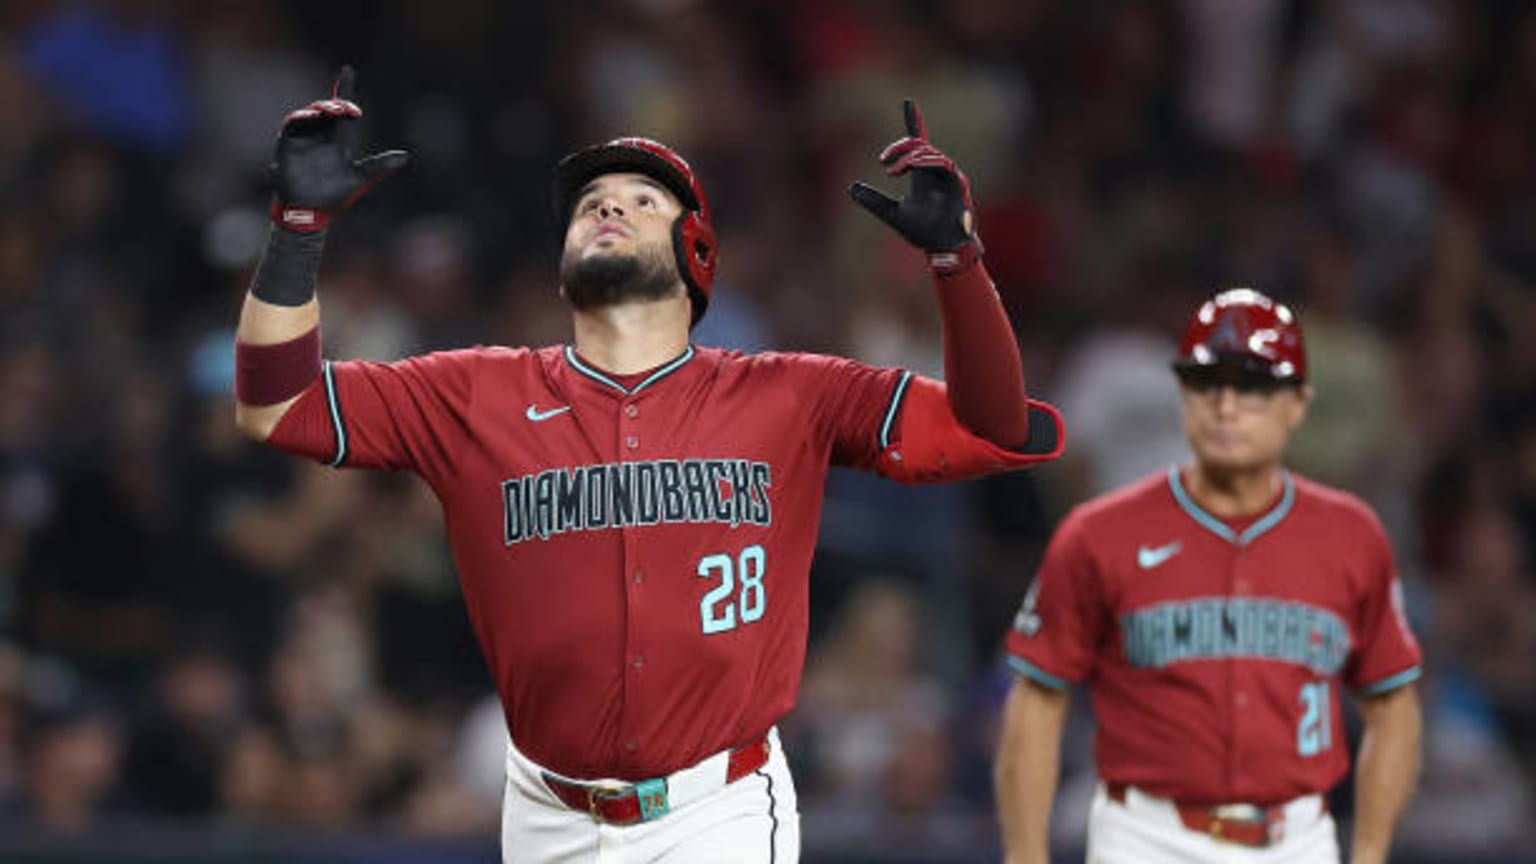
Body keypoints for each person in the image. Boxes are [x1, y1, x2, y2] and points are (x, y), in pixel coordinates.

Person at [231, 67, 1064, 863]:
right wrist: (298, 232)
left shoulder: (788, 394)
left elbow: (989, 426)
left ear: (695, 251)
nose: (607, 208)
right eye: (589, 203)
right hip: (547, 811)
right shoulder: (476, 392)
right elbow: (279, 405)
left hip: (718, 806)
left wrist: (956, 261)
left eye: (640, 199)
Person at [994, 288, 1422, 864]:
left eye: (1251, 386)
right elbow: (1037, 699)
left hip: (1296, 837)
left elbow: (1393, 704)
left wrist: (1370, 852)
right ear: (1182, 395)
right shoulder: (1100, 533)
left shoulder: (1352, 535)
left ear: (1297, 404)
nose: (1226, 405)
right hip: (1146, 837)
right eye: (1206, 383)